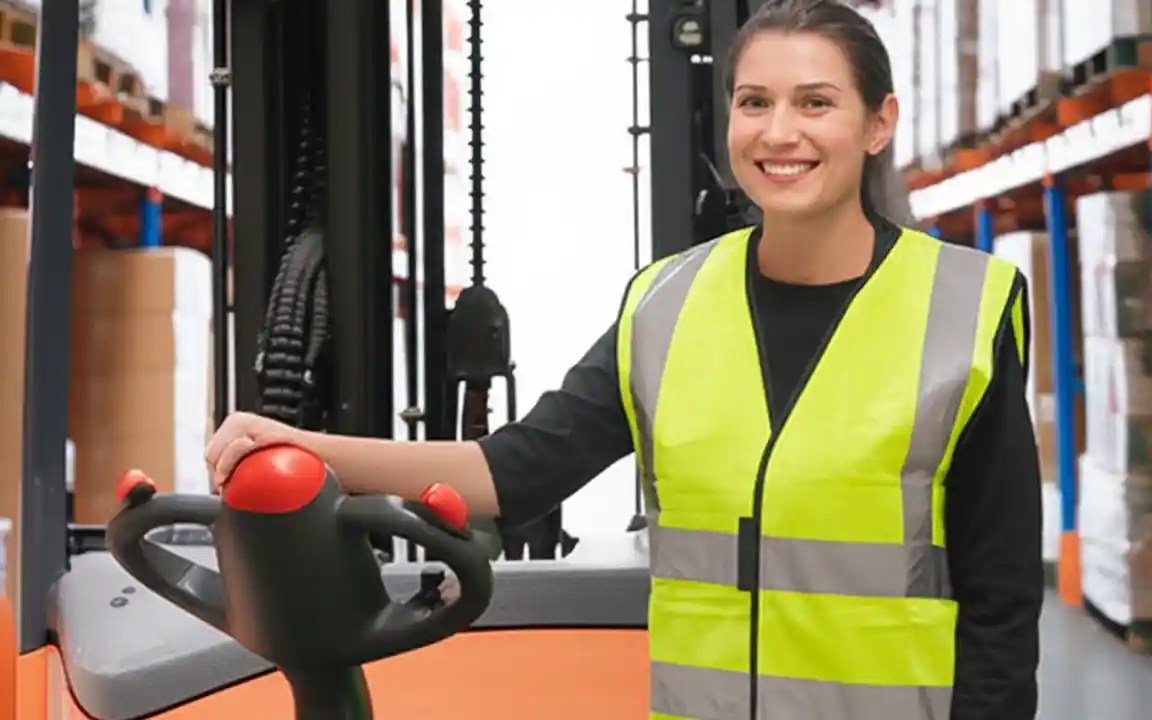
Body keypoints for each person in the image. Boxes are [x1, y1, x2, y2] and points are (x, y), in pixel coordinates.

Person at [205, 0, 1044, 717]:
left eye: (815, 103)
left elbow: (1002, 603)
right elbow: (515, 470)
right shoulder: (668, 306)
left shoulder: (958, 310)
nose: (779, 132)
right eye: (754, 102)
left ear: (877, 123)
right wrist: (307, 448)